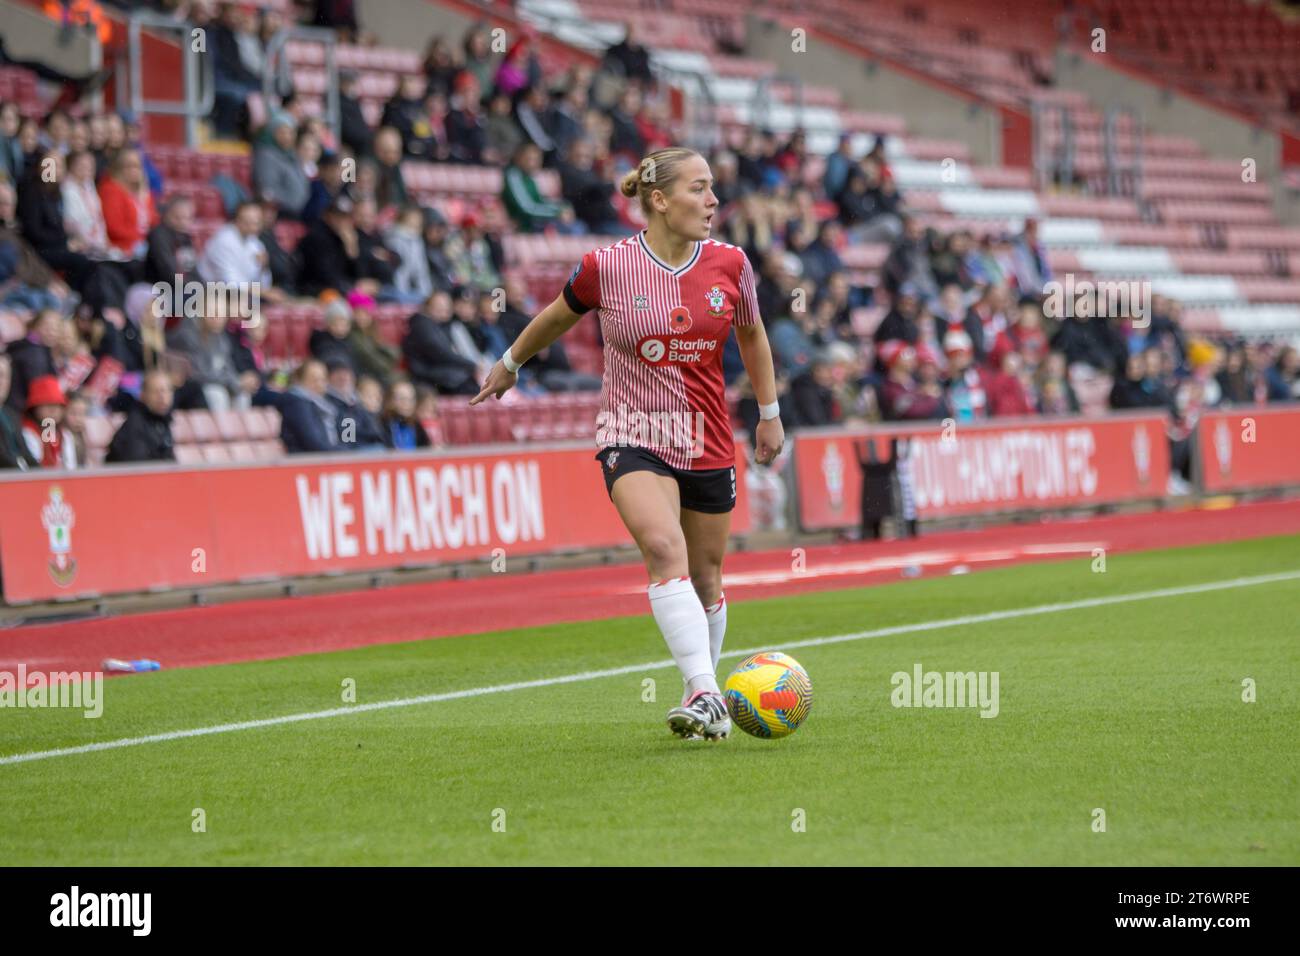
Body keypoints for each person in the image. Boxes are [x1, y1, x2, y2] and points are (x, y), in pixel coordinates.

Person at [470, 146, 783, 742]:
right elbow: (559, 317)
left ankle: (703, 694)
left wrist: (768, 414)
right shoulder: (606, 266)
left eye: (713, 187)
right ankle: (706, 692)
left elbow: (752, 335)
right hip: (631, 434)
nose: (713, 200)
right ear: (659, 201)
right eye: (699, 188)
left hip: (708, 437)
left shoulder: (732, 263)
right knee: (664, 550)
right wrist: (511, 362)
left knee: (707, 577)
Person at [105, 370, 176, 463]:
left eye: (167, 391)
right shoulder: (134, 425)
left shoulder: (163, 421)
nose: (162, 396)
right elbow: (138, 469)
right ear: (143, 395)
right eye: (156, 391)